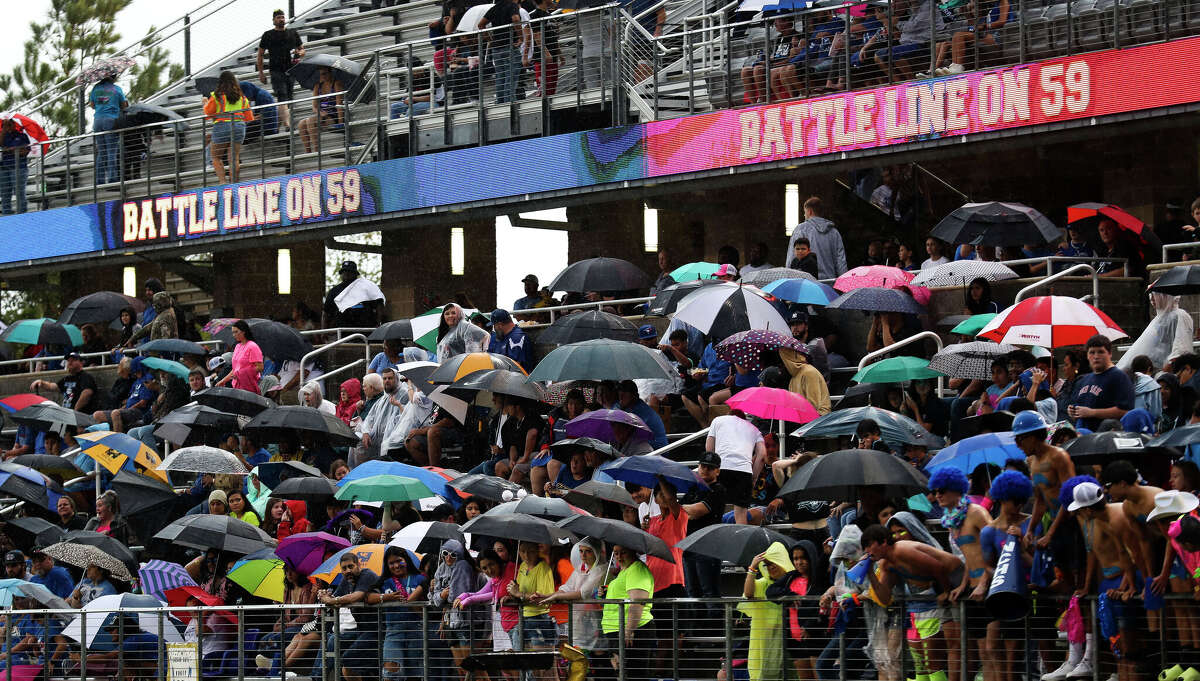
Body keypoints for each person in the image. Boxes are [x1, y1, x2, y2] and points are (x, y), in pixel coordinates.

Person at [317, 553, 381, 681]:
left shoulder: (367, 575)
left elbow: (355, 596)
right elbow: (334, 598)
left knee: (347, 660)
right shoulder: (347, 580)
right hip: (362, 630)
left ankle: (317, 677)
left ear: (359, 565)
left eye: (351, 566)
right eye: (344, 568)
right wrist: (323, 594)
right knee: (333, 639)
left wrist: (330, 601)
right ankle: (316, 677)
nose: (348, 571)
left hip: (377, 629)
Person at [371, 546, 427, 681]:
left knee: (414, 674)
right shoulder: (384, 581)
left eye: (399, 561)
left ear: (406, 560)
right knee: (390, 671)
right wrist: (388, 597)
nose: (396, 565)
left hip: (417, 630)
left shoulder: (420, 579)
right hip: (393, 631)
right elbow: (368, 597)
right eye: (391, 563)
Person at [601, 544, 654, 680]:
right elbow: (622, 595)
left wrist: (629, 630)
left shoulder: (637, 569)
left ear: (632, 551)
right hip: (617, 629)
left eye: (623, 553)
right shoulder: (624, 570)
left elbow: (637, 601)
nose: (619, 557)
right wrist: (604, 593)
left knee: (633, 675)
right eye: (616, 553)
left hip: (630, 629)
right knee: (622, 674)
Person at [740, 542, 791, 681]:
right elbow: (749, 593)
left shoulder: (793, 582)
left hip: (786, 637)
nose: (771, 567)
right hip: (764, 640)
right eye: (767, 564)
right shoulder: (763, 583)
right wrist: (752, 567)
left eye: (774, 562)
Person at [706, 410, 764, 525]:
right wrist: (753, 477)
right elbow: (762, 455)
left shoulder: (718, 420)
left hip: (720, 468)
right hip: (744, 471)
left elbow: (709, 448)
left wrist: (712, 469)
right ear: (744, 419)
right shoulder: (754, 429)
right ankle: (740, 542)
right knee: (741, 516)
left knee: (714, 509)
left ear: (729, 415)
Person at [1067, 334, 1134, 431]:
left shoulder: (1119, 377)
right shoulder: (1085, 379)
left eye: (1101, 352)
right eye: (1092, 352)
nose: (1096, 356)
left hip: (1107, 438)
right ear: (1087, 355)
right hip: (1083, 437)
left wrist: (1092, 412)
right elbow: (1080, 408)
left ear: (1110, 353)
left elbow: (1126, 411)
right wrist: (1073, 411)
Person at [257, 8, 305, 130]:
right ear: (273, 20)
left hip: (291, 69)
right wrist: (261, 73)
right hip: (276, 70)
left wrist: (299, 53)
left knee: (288, 97)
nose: (281, 19)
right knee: (282, 94)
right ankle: (287, 125)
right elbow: (260, 54)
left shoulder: (292, 33)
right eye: (278, 17)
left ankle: (276, 125)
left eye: (283, 17)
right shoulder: (268, 35)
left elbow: (302, 49)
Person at [204, 71, 254, 185]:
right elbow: (249, 117)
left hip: (222, 126)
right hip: (239, 127)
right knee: (234, 157)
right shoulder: (242, 98)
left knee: (216, 157)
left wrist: (205, 103)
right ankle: (234, 183)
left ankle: (223, 182)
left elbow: (208, 113)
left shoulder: (217, 96)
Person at [479, 0, 528, 104]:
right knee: (511, 77)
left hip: (496, 48)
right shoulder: (512, 5)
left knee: (500, 76)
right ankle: (509, 103)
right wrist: (520, 37)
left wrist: (490, 40)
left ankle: (501, 103)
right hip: (509, 45)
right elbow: (515, 18)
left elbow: (481, 25)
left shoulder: (495, 7)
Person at [787, 196, 847, 279]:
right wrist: (843, 283)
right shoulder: (834, 233)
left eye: (805, 212)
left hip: (807, 283)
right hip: (829, 283)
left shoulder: (801, 229)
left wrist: (788, 278)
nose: (804, 215)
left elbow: (792, 257)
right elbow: (841, 261)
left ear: (810, 211)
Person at [88, 76, 127, 185]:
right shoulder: (117, 89)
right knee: (111, 151)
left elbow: (92, 105)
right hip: (110, 120)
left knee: (102, 152)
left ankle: (99, 180)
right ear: (113, 78)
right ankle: (112, 178)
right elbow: (124, 105)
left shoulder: (96, 88)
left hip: (97, 121)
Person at [323, 261, 383, 329]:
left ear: (355, 274)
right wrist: (324, 330)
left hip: (365, 330)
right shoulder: (334, 291)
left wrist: (378, 323)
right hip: (342, 331)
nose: (346, 274)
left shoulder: (367, 288)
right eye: (344, 272)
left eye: (349, 271)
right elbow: (326, 312)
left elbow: (379, 305)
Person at [30, 352, 96, 414]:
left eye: (73, 360)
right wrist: (41, 382)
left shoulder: (85, 377)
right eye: (68, 360)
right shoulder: (67, 378)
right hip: (66, 414)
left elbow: (87, 393)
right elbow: (53, 386)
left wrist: (75, 411)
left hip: (80, 415)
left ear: (81, 363)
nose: (70, 362)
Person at [297, 66, 344, 154]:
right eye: (320, 74)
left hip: (333, 116)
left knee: (310, 120)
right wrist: (320, 112)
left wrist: (341, 122)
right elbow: (314, 107)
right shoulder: (317, 86)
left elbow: (339, 104)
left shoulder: (336, 84)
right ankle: (308, 151)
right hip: (322, 115)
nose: (322, 76)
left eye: (324, 74)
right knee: (301, 124)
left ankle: (316, 150)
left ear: (330, 73)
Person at [215, 320, 264, 393]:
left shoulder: (252, 346)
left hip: (250, 386)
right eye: (233, 332)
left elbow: (260, 367)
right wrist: (223, 381)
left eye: (236, 332)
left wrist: (241, 373)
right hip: (237, 386)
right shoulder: (237, 346)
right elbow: (235, 370)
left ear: (244, 331)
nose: (234, 335)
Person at [617, 379, 668, 449]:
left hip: (656, 451)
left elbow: (624, 435)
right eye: (619, 396)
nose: (620, 400)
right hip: (645, 446)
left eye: (623, 396)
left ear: (634, 396)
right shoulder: (632, 407)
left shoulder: (640, 412)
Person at [0, 119, 30, 215]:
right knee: (4, 192)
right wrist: (3, 131)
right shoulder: (4, 136)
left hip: (18, 167)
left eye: (9, 124)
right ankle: (6, 212)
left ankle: (22, 212)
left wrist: (11, 150)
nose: (7, 126)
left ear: (14, 125)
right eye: (4, 125)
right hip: (4, 168)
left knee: (19, 191)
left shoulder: (22, 136)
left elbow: (25, 151)